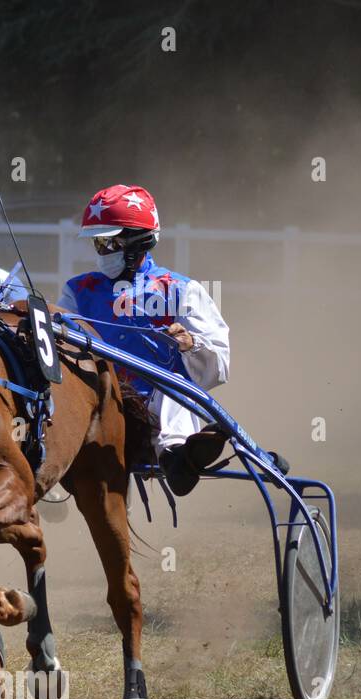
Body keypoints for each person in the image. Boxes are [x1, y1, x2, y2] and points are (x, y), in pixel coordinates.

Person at [57, 184, 230, 495]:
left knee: (176, 383)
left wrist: (191, 344)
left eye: (108, 243)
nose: (101, 251)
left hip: (157, 410)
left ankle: (176, 456)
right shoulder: (77, 291)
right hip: (100, 402)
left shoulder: (181, 290)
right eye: (97, 243)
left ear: (137, 241)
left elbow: (219, 364)